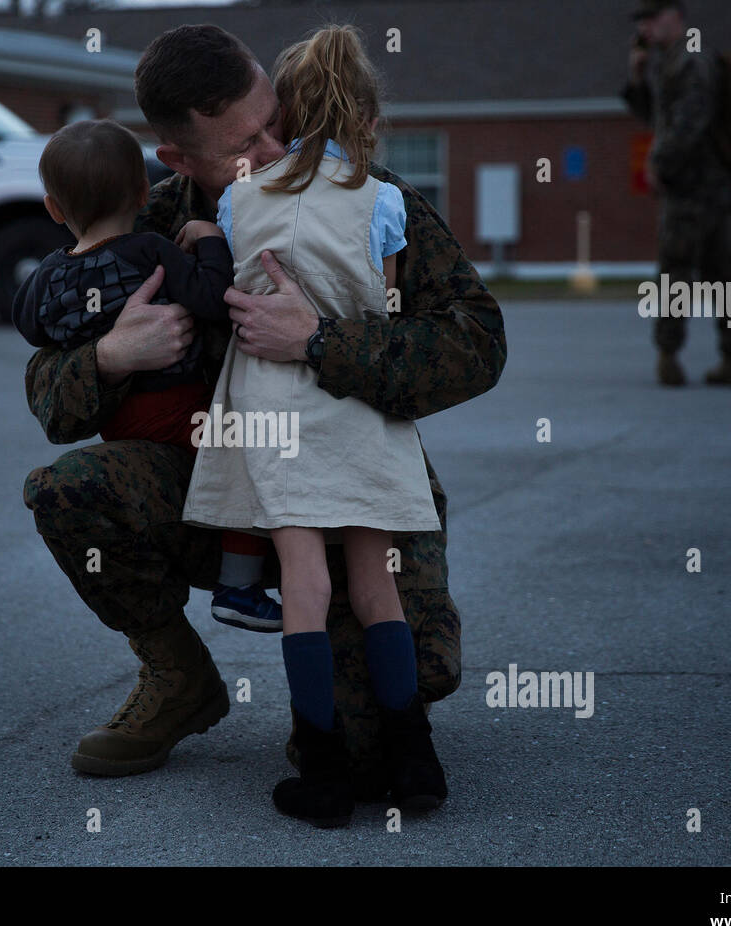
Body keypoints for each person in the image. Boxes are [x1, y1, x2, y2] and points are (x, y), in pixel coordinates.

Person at [21, 24, 506, 792]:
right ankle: (178, 678)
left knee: (405, 687)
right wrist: (112, 355)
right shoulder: (144, 221)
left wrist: (322, 341)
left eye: (278, 120)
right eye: (248, 143)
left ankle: (355, 716)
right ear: (177, 160)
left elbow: (479, 343)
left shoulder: (361, 196)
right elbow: (49, 391)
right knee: (68, 490)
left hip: (344, 487)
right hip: (215, 494)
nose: (281, 147)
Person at [177, 25, 449, 828]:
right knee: (377, 588)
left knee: (305, 585)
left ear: (291, 114)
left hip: (275, 411)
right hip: (360, 405)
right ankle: (415, 761)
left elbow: (219, 271)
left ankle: (323, 773)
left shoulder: (238, 197)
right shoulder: (386, 199)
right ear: (363, 114)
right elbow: (385, 303)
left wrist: (198, 234)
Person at [11, 118, 283, 642]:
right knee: (248, 453)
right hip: (181, 412)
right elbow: (210, 300)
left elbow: (29, 326)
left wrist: (90, 336)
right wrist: (208, 240)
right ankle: (238, 587)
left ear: (53, 209)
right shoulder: (152, 249)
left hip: (122, 427)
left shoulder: (46, 272)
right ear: (143, 191)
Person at [623, 0, 731, 387]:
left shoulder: (691, 59)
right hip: (707, 189)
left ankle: (672, 357)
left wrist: (659, 163)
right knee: (722, 276)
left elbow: (689, 121)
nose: (646, 28)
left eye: (652, 18)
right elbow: (660, 119)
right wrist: (637, 80)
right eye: (642, 22)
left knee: (679, 274)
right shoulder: (671, 62)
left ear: (675, 17)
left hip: (695, 190)